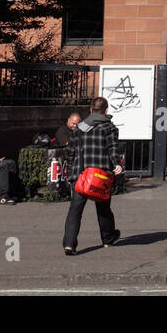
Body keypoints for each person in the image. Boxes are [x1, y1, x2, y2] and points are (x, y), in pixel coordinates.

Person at [62, 97, 124, 255]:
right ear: (106, 110)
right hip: (100, 176)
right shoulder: (108, 127)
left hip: (80, 175)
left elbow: (70, 153)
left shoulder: (79, 129)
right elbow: (113, 147)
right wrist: (117, 163)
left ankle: (69, 244)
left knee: (75, 210)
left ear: (90, 110)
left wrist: (70, 173)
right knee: (103, 209)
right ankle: (107, 239)